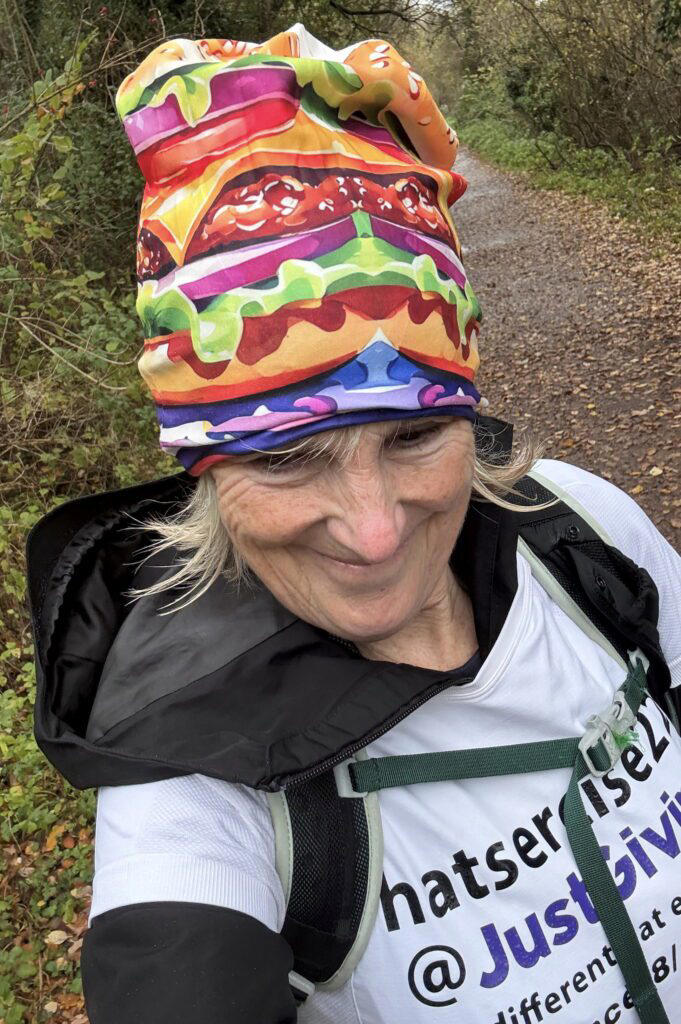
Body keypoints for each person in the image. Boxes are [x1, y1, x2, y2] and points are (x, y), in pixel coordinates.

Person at [26, 24, 681, 1024]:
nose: (375, 533)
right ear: (201, 464)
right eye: (286, 458)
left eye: (416, 438)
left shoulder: (583, 529)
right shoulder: (192, 776)